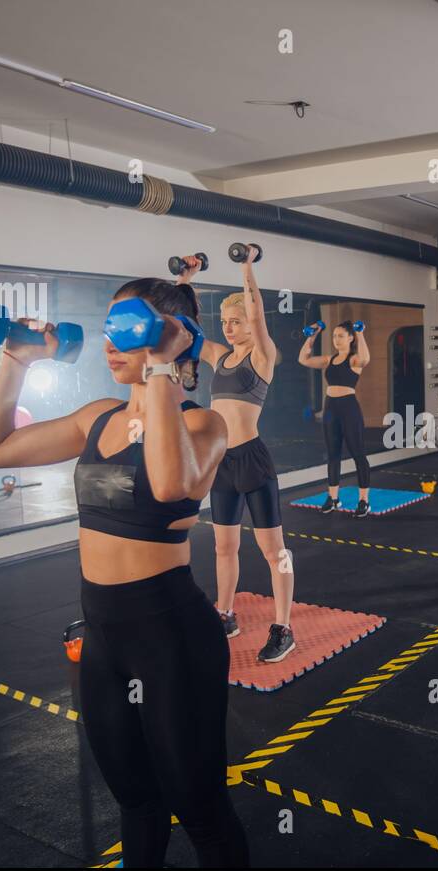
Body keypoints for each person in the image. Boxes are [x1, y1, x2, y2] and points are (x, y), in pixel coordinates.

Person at [0, 281, 248, 868]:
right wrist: (15, 360)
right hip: (102, 638)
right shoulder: (97, 418)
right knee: (136, 801)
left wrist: (164, 371)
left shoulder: (208, 426)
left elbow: (172, 484)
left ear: (169, 336)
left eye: (127, 327)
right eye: (109, 328)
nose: (109, 343)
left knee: (199, 808)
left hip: (171, 638)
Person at [179, 251, 296, 664]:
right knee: (223, 547)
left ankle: (283, 627)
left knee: (273, 550)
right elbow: (184, 328)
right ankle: (225, 615)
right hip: (221, 465)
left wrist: (247, 268)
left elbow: (259, 315)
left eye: (237, 321)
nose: (230, 329)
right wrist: (186, 280)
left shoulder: (260, 356)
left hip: (252, 460)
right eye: (226, 323)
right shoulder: (218, 357)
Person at [298, 319, 372, 516]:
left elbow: (365, 359)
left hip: (349, 408)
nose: (336, 340)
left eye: (341, 336)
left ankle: (364, 500)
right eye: (334, 336)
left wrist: (361, 333)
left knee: (358, 454)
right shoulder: (329, 359)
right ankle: (333, 498)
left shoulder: (354, 359)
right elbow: (303, 359)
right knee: (333, 455)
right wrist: (313, 335)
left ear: (350, 338)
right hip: (331, 408)